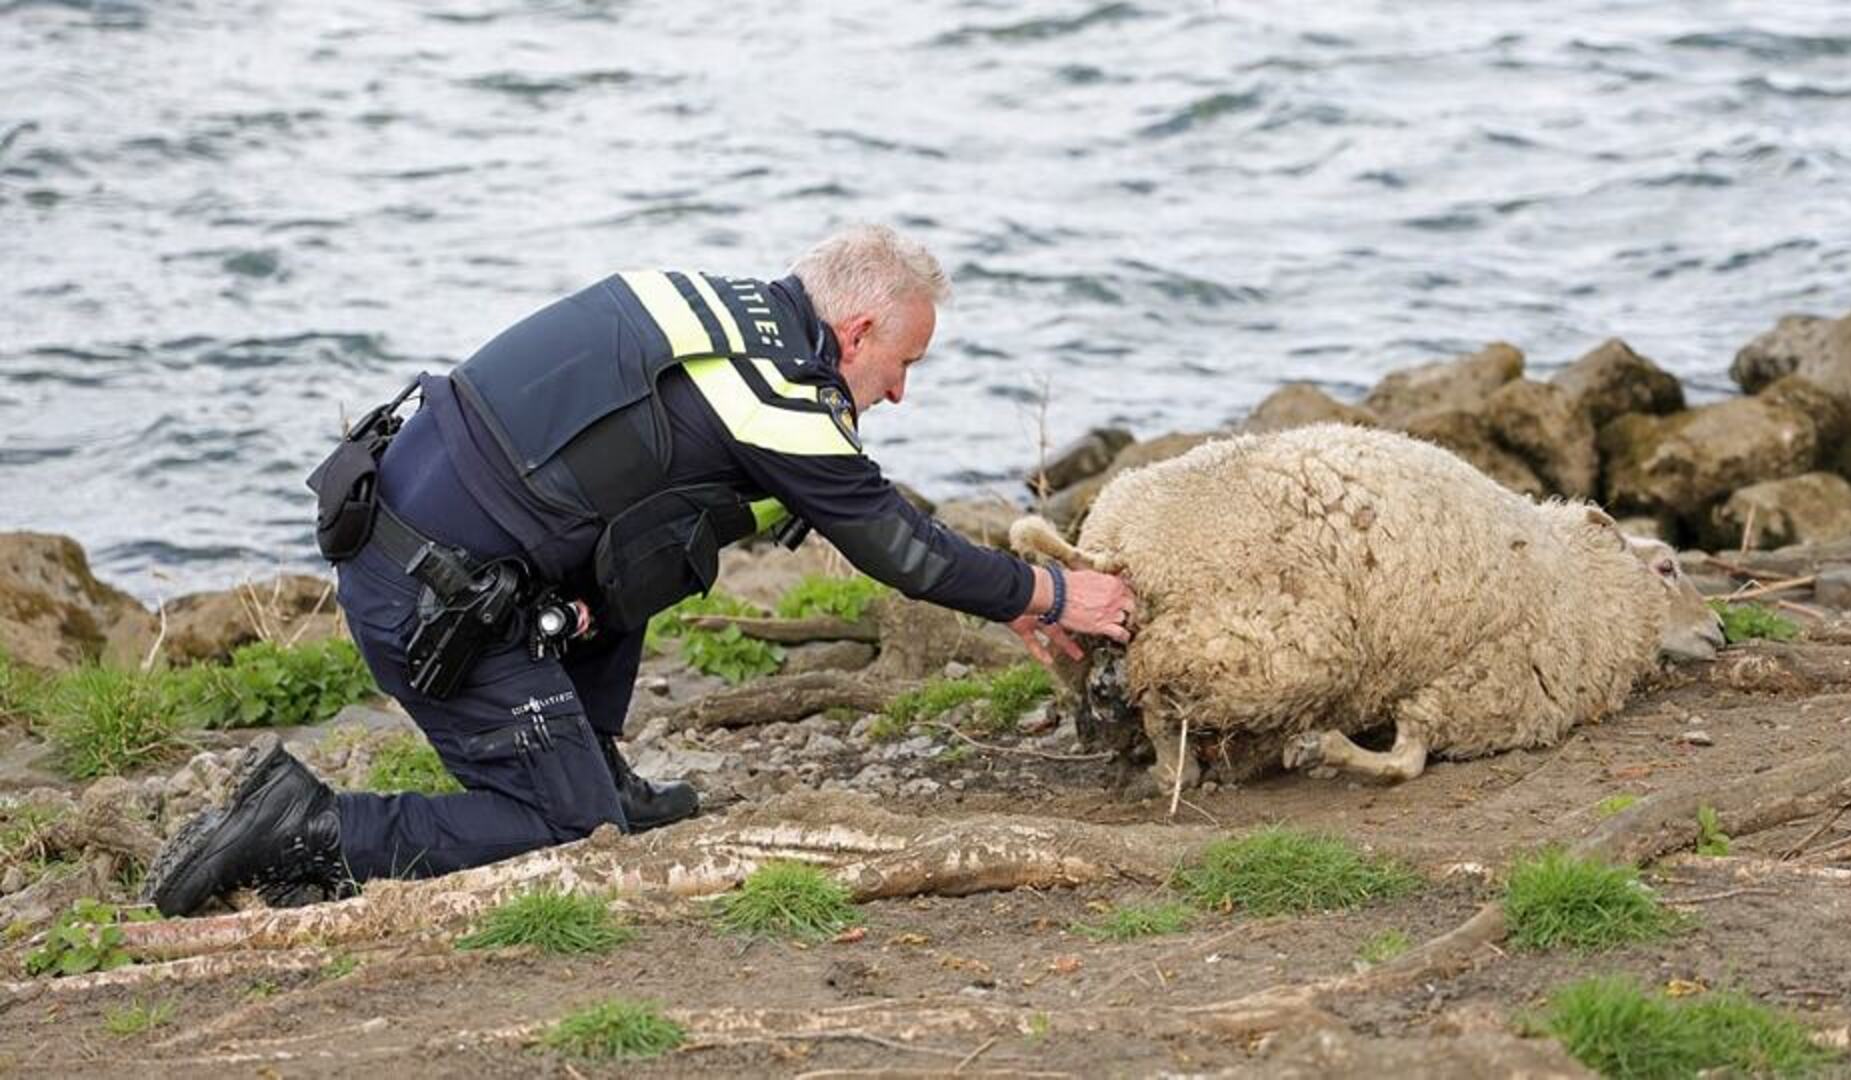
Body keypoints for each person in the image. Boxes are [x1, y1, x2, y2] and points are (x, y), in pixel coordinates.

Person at [141, 225, 1138, 916]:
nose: (903, 393)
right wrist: (1050, 592)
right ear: (857, 333)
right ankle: (306, 829)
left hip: (427, 550)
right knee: (570, 838)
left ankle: (595, 765)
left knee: (666, 534)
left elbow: (843, 498)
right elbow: (890, 539)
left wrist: (1004, 603)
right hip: (432, 605)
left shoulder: (707, 309)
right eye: (905, 364)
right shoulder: (771, 394)